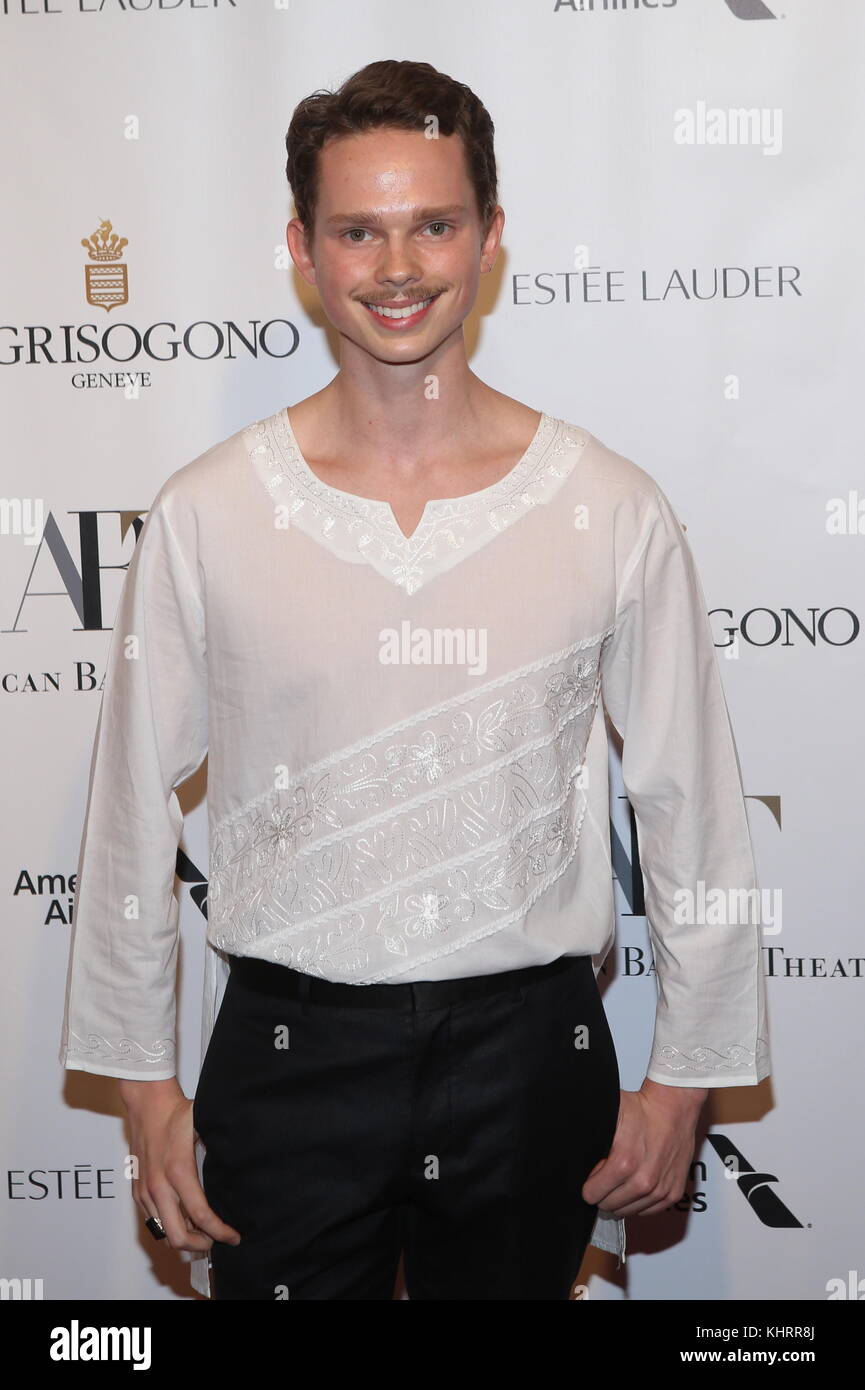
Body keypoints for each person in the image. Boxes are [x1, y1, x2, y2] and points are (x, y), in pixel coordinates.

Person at [59, 58, 770, 1301]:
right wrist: (146, 1086)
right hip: (287, 1057)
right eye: (359, 230)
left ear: (490, 236)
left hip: (527, 1056)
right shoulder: (208, 512)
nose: (398, 267)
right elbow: (128, 806)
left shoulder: (607, 506)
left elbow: (691, 805)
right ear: (303, 246)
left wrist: (682, 1076)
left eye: (434, 224)